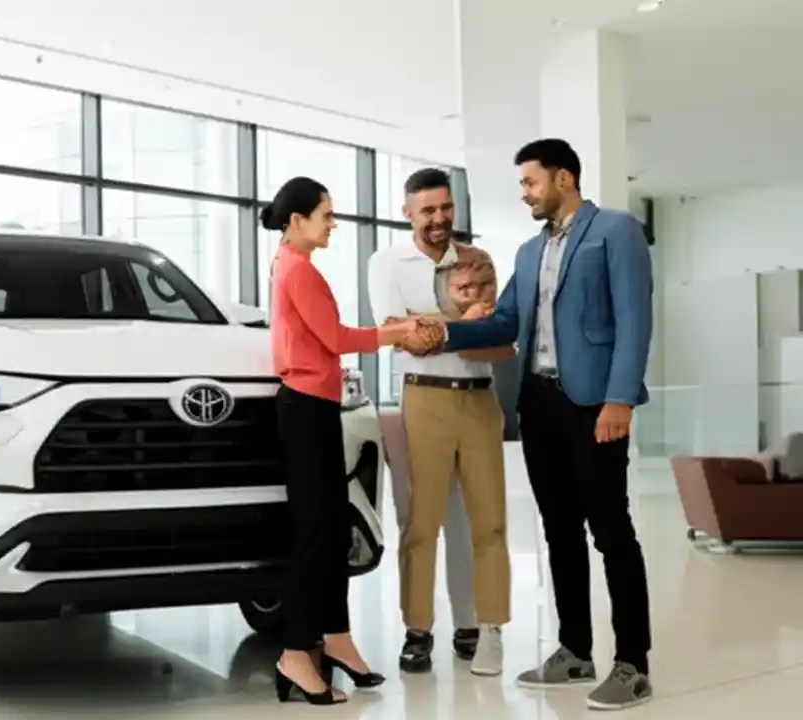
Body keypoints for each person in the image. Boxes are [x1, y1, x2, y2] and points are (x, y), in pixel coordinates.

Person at [404, 139, 655, 711]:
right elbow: (508, 320)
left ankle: (633, 664)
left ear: (563, 179)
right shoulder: (526, 251)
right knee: (558, 531)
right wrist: (444, 331)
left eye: (530, 183)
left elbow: (635, 319)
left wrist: (620, 399)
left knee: (611, 531)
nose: (524, 194)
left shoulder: (615, 232)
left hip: (594, 404)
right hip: (538, 406)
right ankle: (574, 650)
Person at [264, 176, 415, 706]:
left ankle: (336, 638)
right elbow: (335, 339)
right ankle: (295, 652)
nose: (333, 223)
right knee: (315, 535)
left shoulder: (294, 265)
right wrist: (396, 333)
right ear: (297, 220)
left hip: (316, 407)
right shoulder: (298, 270)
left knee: (329, 533)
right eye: (326, 214)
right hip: (305, 411)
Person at [366, 168, 512, 678]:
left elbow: (501, 340)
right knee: (421, 523)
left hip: (479, 400)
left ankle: (485, 628)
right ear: (408, 213)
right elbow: (394, 334)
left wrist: (430, 326)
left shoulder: (477, 260)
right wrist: (461, 326)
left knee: (487, 521)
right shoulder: (386, 262)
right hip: (423, 401)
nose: (439, 218)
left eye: (446, 207)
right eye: (427, 210)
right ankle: (418, 630)